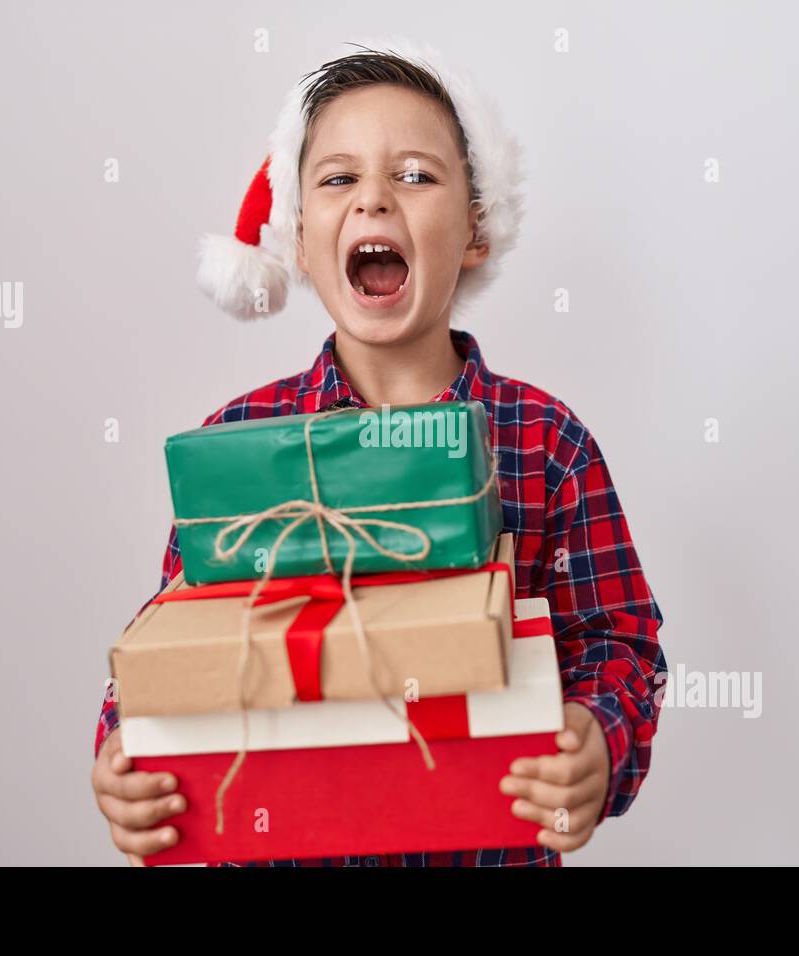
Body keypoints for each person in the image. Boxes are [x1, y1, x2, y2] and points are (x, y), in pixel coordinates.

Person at [91, 37, 667, 867]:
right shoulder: (236, 445)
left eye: (415, 175)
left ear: (475, 229)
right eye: (337, 179)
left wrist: (597, 741)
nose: (373, 202)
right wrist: (123, 752)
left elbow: (620, 643)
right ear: (296, 236)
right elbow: (167, 644)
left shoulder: (546, 441)